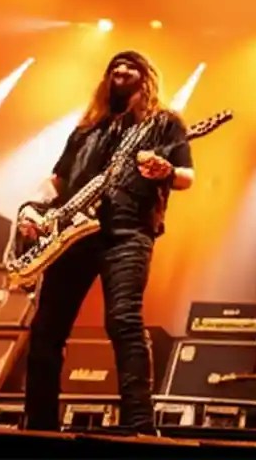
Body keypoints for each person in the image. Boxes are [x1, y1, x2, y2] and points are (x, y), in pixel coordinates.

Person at [18, 50, 194, 434]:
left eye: (131, 66)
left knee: (123, 321)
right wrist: (32, 209)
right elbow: (57, 179)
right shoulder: (87, 128)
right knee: (47, 328)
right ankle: (38, 426)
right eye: (116, 65)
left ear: (146, 78)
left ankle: (139, 425)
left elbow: (187, 176)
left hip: (127, 232)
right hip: (71, 236)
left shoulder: (164, 124)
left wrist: (165, 171)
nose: (122, 69)